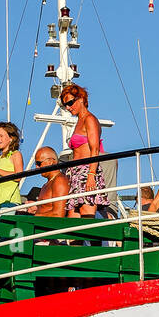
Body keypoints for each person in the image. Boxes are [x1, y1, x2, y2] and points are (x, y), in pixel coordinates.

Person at [60, 84, 110, 217]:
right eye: (65, 105)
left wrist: (91, 175)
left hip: (86, 172)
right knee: (73, 222)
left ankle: (97, 238)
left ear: (81, 99)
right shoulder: (79, 121)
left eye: (70, 103)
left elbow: (95, 150)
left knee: (86, 217)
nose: (68, 107)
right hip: (75, 174)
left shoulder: (90, 119)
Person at [31, 146, 70, 218]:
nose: (37, 167)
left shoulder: (59, 180)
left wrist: (33, 217)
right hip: (39, 225)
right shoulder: (45, 185)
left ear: (51, 161)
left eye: (39, 163)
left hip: (51, 227)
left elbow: (58, 214)